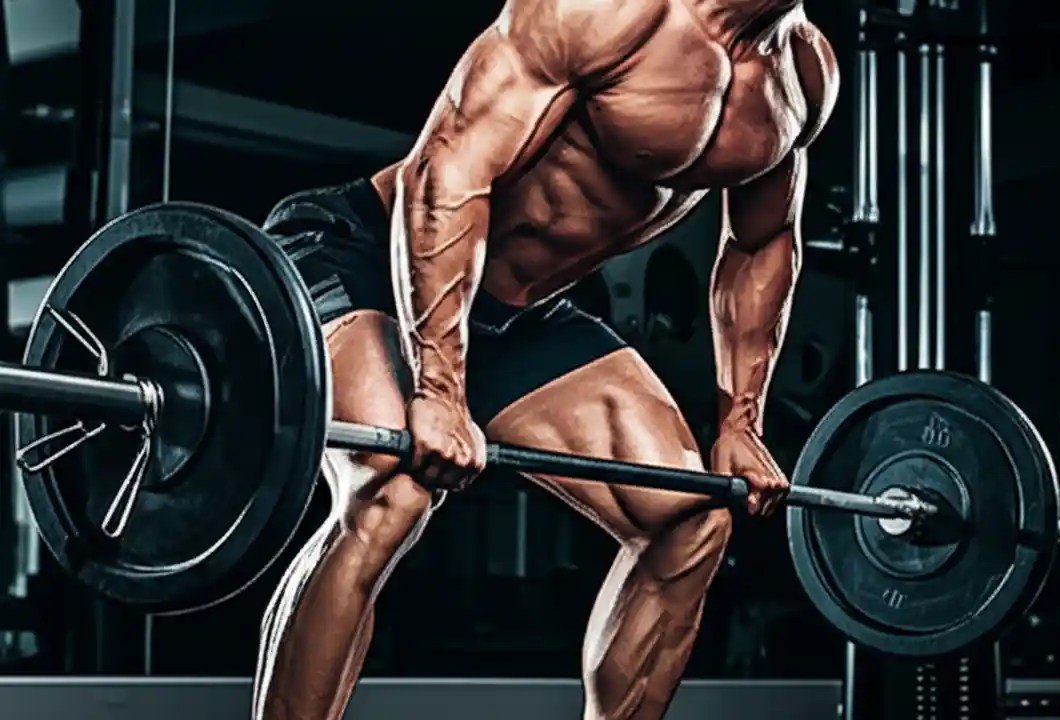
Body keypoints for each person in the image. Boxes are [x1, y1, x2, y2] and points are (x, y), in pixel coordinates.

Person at [252, 0, 837, 717]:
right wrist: (438, 384)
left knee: (690, 516)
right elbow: (447, 170)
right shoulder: (608, 11)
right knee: (390, 489)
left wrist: (741, 424)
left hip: (517, 314)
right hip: (371, 250)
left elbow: (762, 242)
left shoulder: (803, 72)